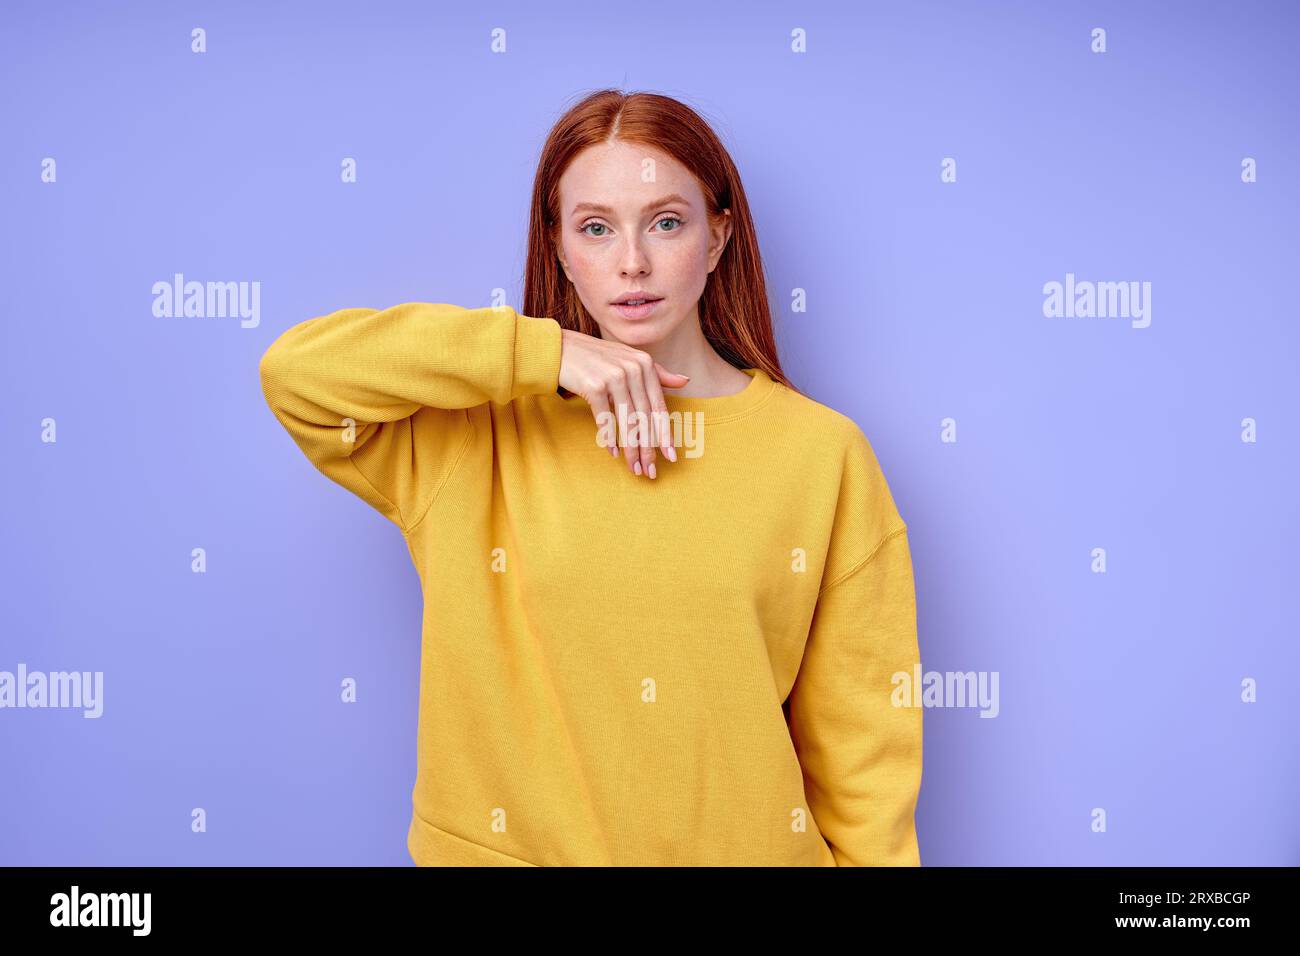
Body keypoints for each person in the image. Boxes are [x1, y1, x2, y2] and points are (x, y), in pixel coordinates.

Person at [258, 89, 922, 866]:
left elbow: (866, 767)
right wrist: (543, 355)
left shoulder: (821, 455)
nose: (631, 262)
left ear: (718, 237)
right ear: (561, 250)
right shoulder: (471, 439)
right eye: (596, 228)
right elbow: (295, 373)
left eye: (666, 222)